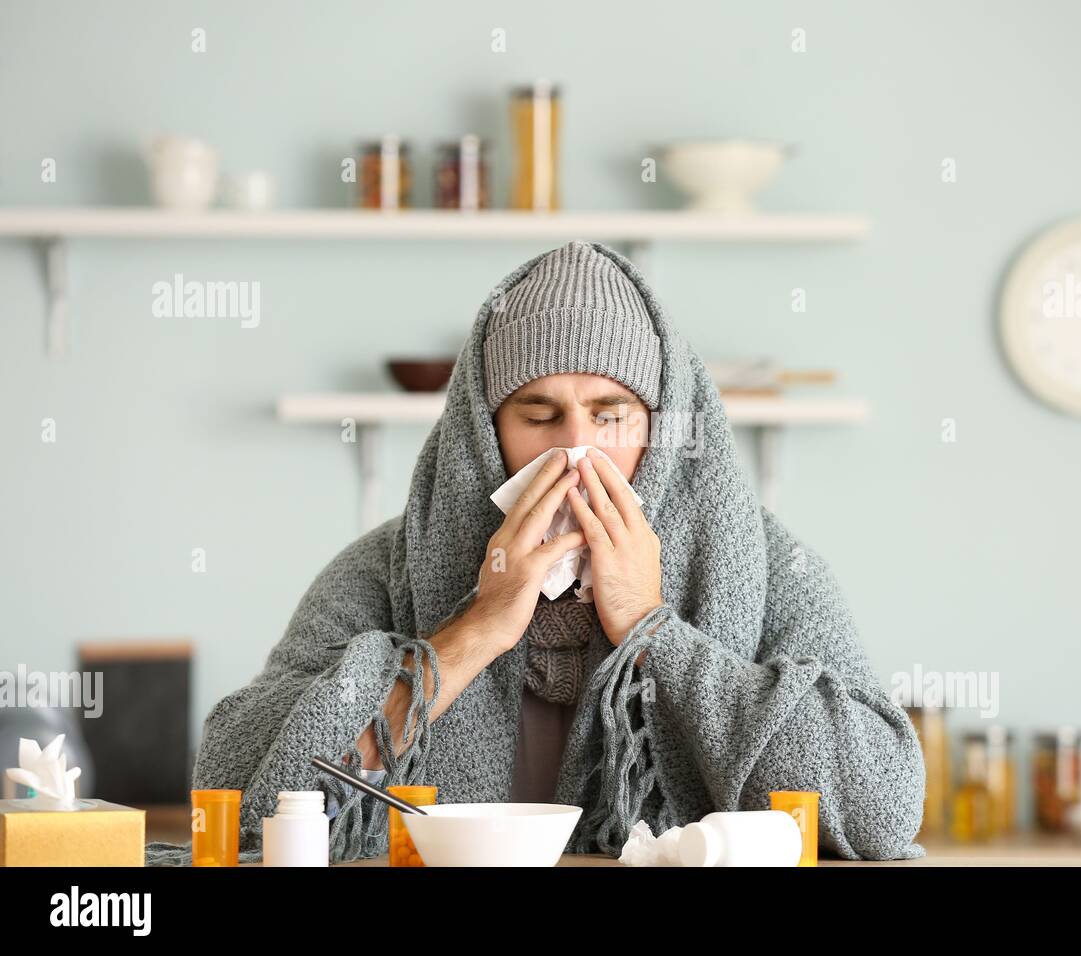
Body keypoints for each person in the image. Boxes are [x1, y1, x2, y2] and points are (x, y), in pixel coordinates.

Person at [145, 239, 926, 865]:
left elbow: (884, 809)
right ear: (485, 434)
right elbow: (237, 802)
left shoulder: (772, 569)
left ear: (660, 430)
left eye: (611, 414)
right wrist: (474, 630)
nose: (576, 452)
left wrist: (656, 633)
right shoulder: (379, 571)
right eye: (539, 414)